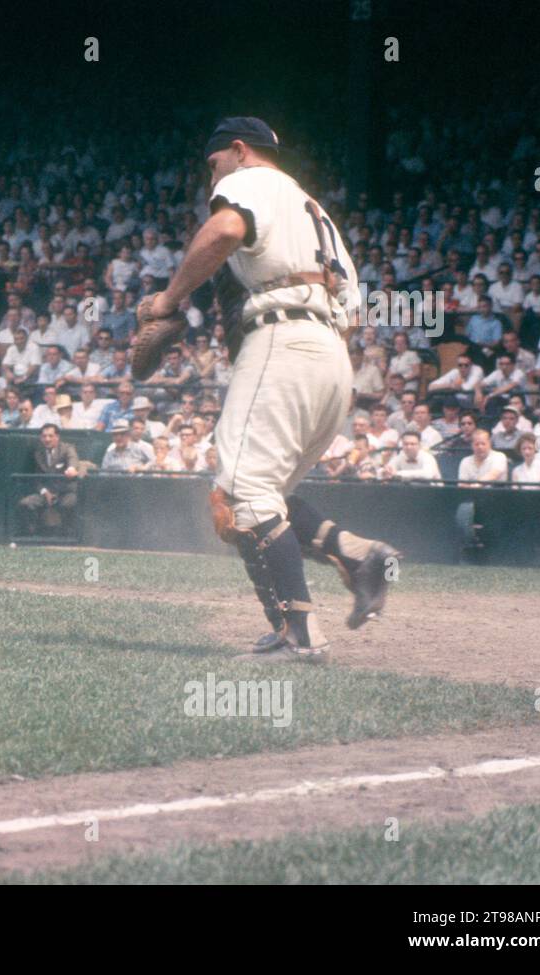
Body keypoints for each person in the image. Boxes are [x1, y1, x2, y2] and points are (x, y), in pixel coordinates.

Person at [136, 117, 397, 660]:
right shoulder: (315, 212)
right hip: (330, 356)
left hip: (282, 338)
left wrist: (168, 300)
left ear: (237, 150)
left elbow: (225, 230)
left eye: (213, 167)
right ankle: (355, 555)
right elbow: (351, 313)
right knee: (262, 495)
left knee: (240, 495)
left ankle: (299, 635)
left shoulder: (251, 179)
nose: (212, 180)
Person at [16, 424, 80, 534]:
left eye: (50, 436)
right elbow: (35, 478)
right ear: (41, 438)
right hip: (45, 493)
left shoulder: (67, 448)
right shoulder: (37, 452)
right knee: (25, 503)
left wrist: (71, 468)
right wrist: (45, 492)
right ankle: (33, 535)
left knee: (68, 504)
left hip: (65, 492)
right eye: (44, 436)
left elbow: (72, 459)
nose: (47, 439)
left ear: (57, 437)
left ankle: (67, 535)